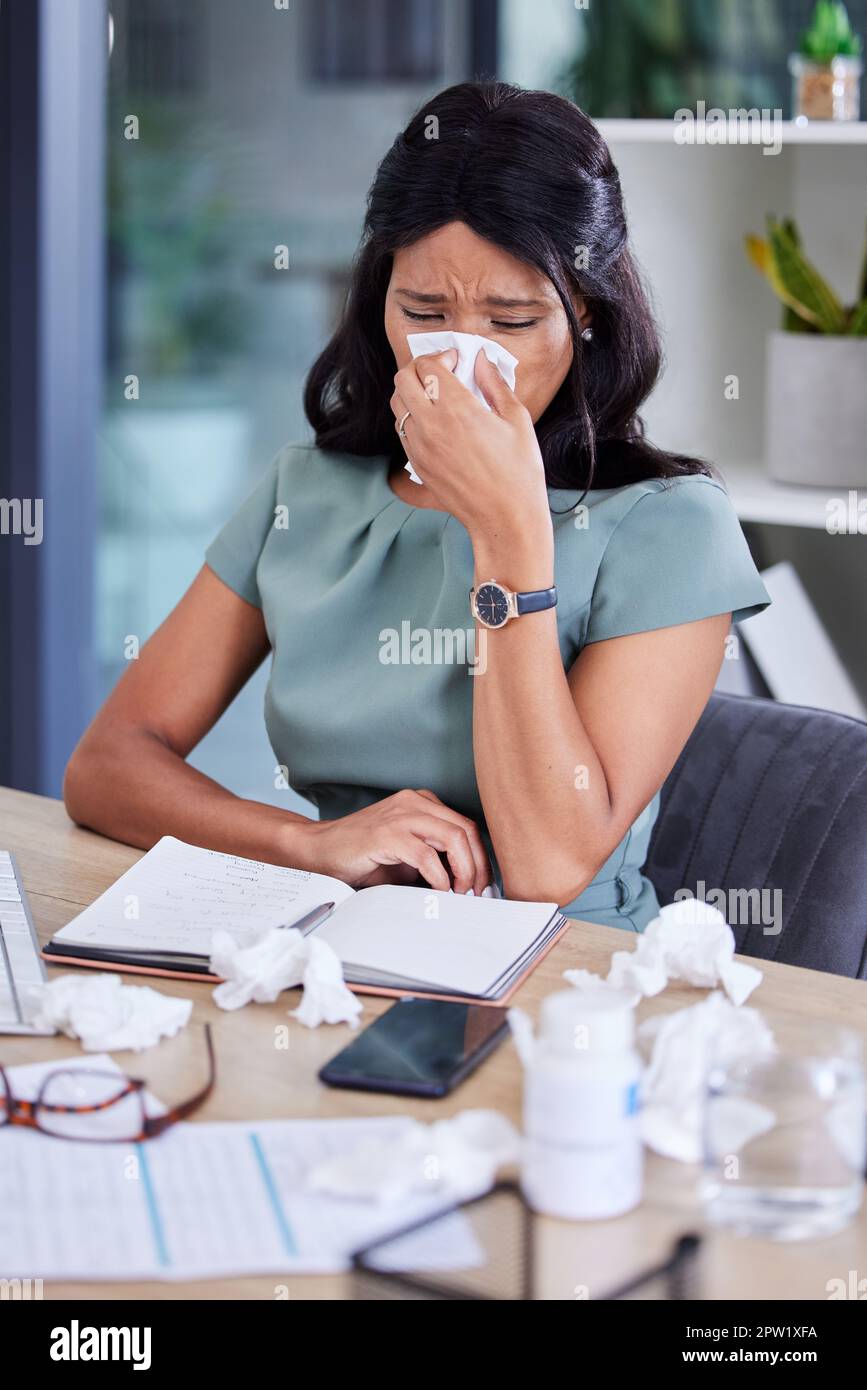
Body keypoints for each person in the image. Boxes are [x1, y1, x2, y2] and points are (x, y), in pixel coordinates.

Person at [64, 81, 769, 932]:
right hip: (337, 946)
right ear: (378, 300)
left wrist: (507, 533)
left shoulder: (670, 527)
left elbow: (548, 867)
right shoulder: (307, 491)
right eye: (424, 311)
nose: (463, 357)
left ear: (583, 312)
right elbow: (106, 766)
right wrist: (307, 845)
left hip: (564, 977)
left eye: (512, 320)